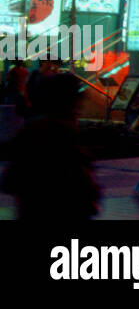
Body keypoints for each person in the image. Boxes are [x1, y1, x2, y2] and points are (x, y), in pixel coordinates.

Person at [1, 73, 100, 220]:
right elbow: (80, 181)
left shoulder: (32, 129)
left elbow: (10, 179)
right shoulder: (62, 133)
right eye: (77, 98)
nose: (81, 104)